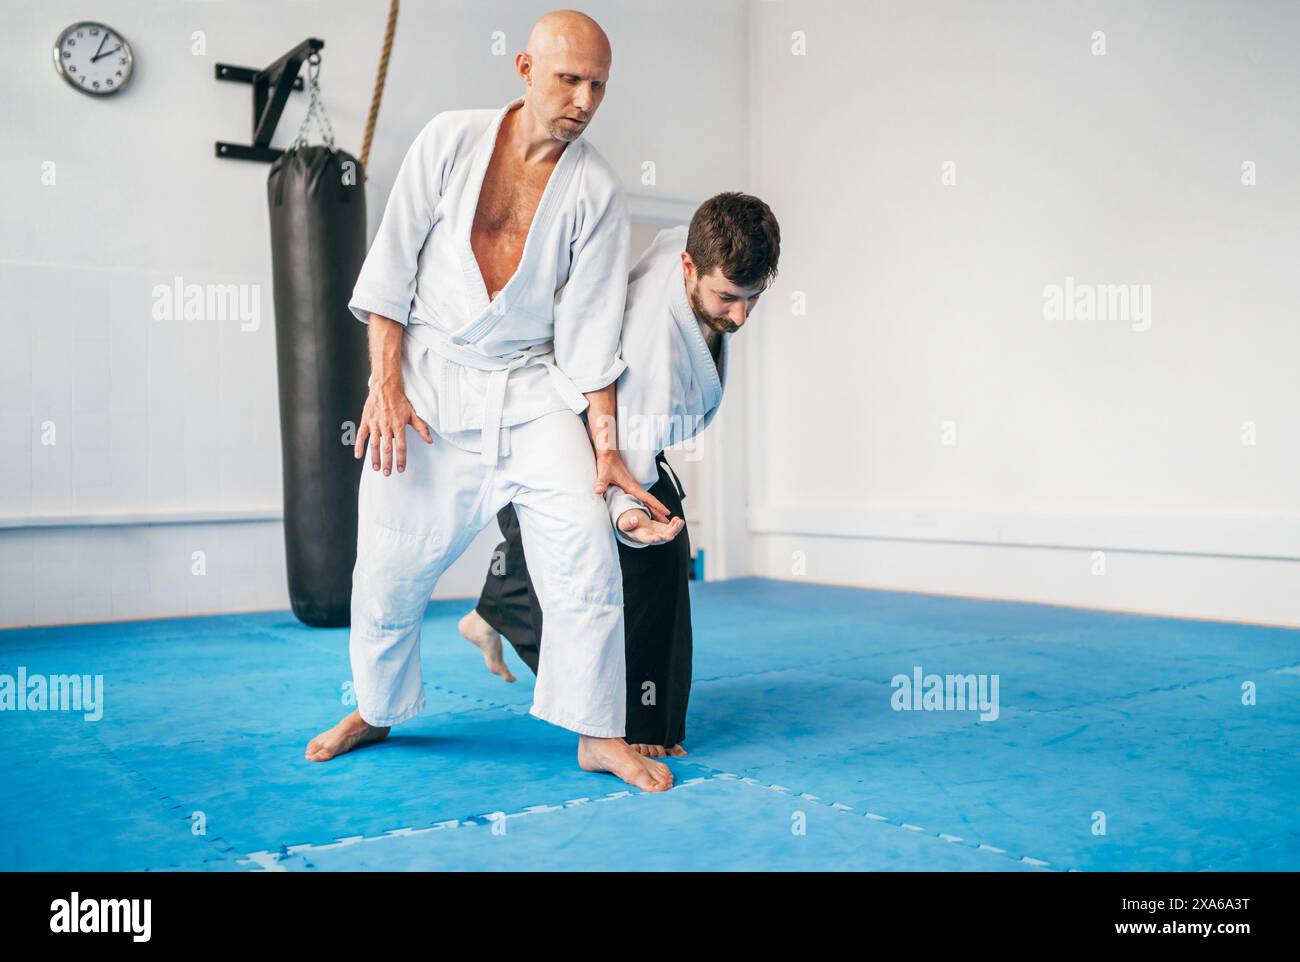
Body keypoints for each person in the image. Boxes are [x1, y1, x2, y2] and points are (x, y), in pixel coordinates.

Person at [305, 11, 681, 793]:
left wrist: (607, 449)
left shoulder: (598, 193)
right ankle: (375, 709)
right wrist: (385, 386)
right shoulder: (450, 140)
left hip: (530, 391)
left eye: (598, 84)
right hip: (431, 389)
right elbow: (390, 273)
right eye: (568, 78)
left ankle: (597, 731)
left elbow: (588, 343)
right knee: (386, 565)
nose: (584, 99)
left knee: (585, 554)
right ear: (524, 68)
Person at [461, 192, 781, 757]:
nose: (740, 315)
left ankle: (492, 613)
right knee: (647, 559)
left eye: (753, 298)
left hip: (590, 408)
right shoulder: (651, 355)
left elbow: (667, 239)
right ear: (690, 266)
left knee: (559, 532)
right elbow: (619, 467)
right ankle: (637, 723)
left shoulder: (682, 245)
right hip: (581, 423)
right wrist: (632, 519)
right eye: (728, 298)